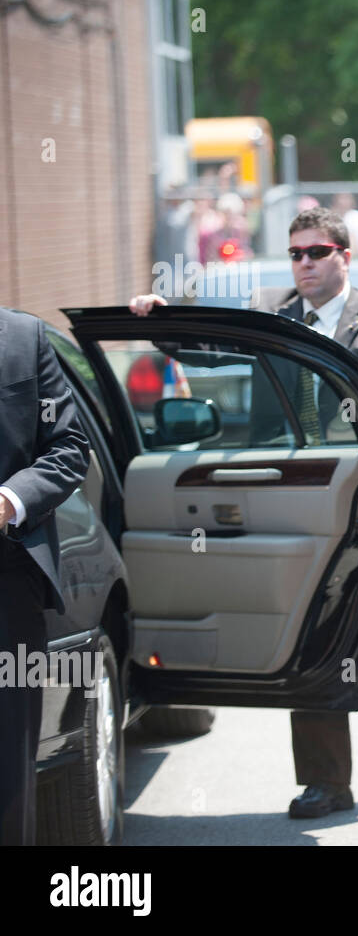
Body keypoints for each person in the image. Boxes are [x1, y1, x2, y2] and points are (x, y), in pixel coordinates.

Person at [130, 207, 358, 819]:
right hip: (294, 501)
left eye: (317, 252)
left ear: (346, 255)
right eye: (296, 254)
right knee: (310, 638)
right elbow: (207, 350)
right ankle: (325, 782)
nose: (305, 264)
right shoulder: (271, 317)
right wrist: (162, 324)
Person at [0, 307, 91, 845]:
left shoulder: (23, 338)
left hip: (7, 582)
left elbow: (68, 446)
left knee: (9, 758)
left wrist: (11, 501)